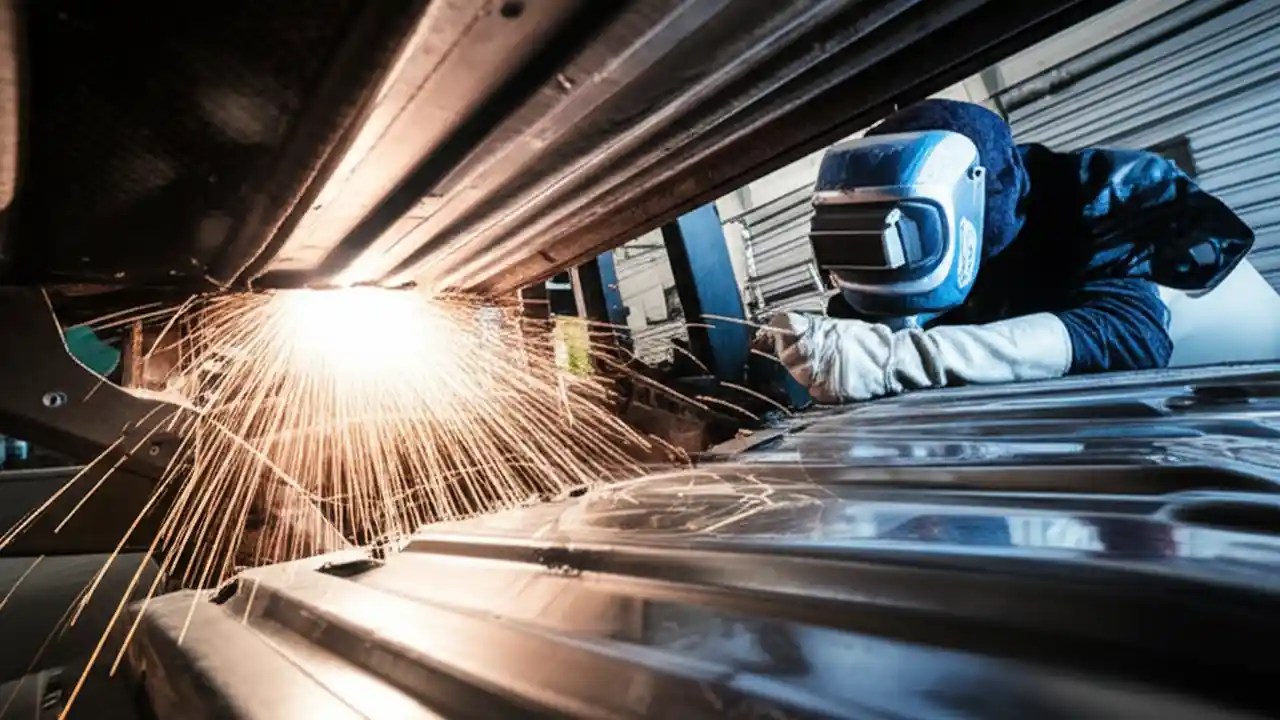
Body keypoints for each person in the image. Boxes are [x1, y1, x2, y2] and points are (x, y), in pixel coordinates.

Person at [765, 99, 1254, 404]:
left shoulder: (1091, 210)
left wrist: (905, 361)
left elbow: (1128, 340)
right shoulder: (893, 244)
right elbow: (870, 338)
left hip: (1222, 403)